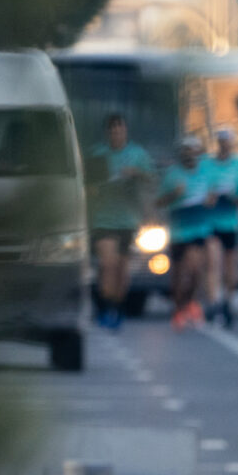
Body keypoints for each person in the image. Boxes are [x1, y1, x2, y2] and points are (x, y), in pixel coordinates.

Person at [84, 113, 153, 328]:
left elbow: (152, 180)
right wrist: (93, 189)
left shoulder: (137, 154)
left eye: (120, 131)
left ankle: (118, 306)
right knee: (108, 264)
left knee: (122, 270)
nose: (117, 135)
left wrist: (137, 173)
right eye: (113, 131)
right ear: (108, 133)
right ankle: (106, 308)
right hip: (103, 219)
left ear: (125, 131)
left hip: (128, 220)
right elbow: (86, 184)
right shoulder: (97, 154)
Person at [157, 136, 214, 329]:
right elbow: (158, 202)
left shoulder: (205, 172)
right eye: (186, 152)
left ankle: (189, 303)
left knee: (196, 270)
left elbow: (213, 195)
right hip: (178, 232)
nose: (190, 156)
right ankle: (179, 307)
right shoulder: (172, 175)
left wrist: (210, 200)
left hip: (199, 230)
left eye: (193, 152)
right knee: (179, 274)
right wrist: (174, 194)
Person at [204, 126, 238, 328]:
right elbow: (199, 191)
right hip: (211, 222)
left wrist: (237, 199)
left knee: (230, 266)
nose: (225, 146)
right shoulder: (207, 165)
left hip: (232, 222)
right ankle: (213, 302)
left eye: (228, 142)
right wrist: (210, 198)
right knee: (213, 262)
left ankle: (228, 301)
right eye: (222, 142)